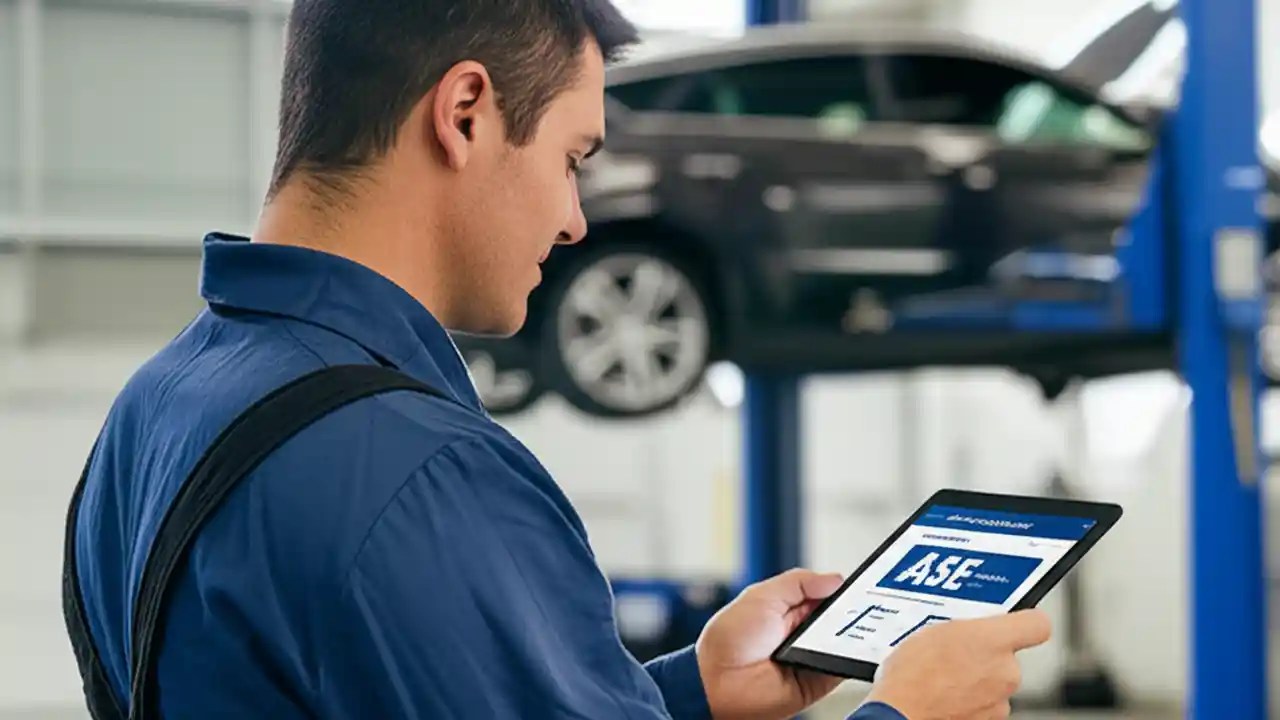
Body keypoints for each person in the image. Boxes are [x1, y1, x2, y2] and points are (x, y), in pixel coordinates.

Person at [65, 1, 1052, 718]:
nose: (576, 218)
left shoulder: (158, 410)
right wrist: (908, 716)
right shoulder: (416, 474)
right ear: (465, 114)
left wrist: (684, 692)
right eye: (574, 159)